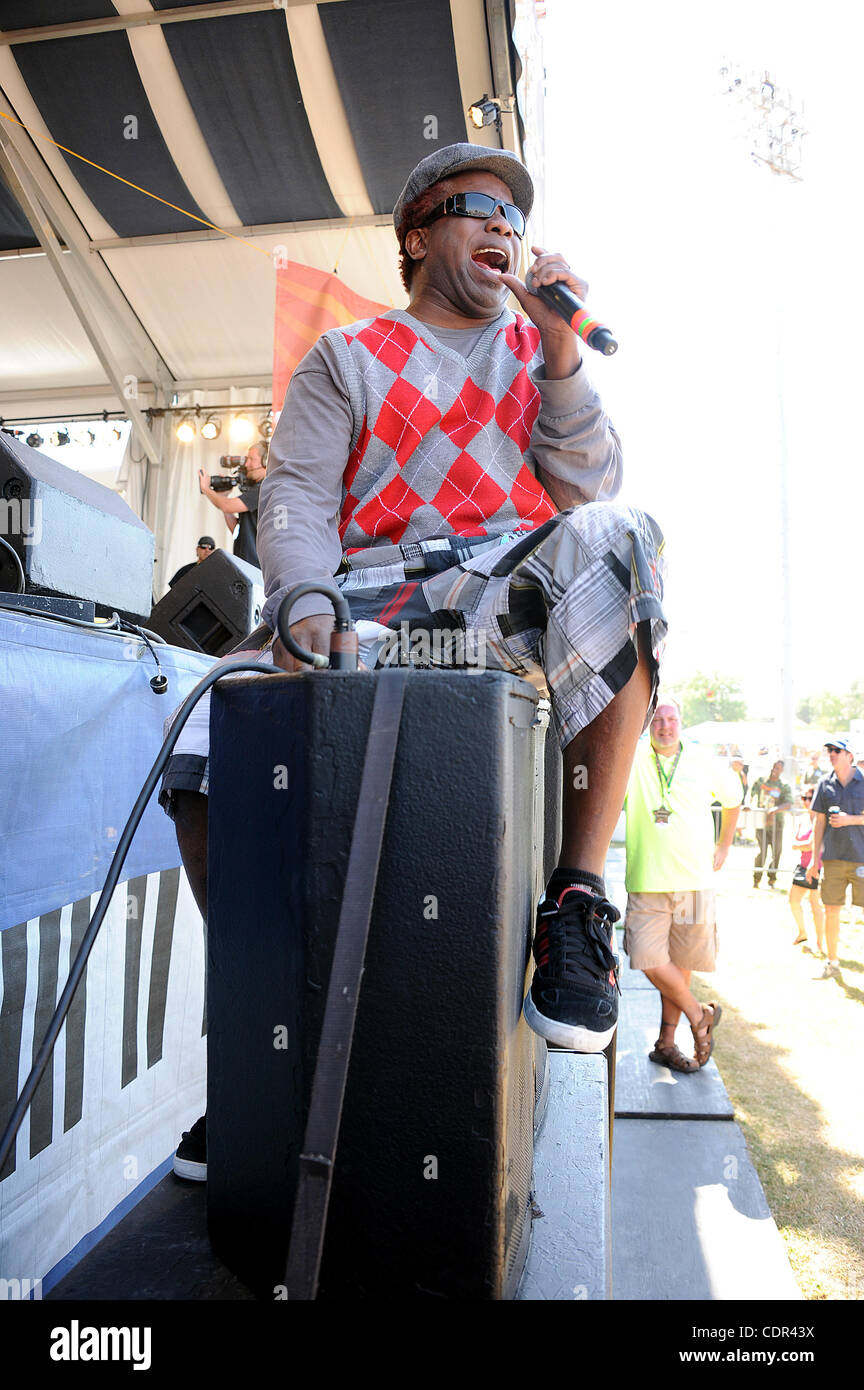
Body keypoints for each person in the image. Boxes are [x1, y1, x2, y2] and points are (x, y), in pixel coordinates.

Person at [163, 142, 667, 1179]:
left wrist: (562, 347)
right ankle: (270, 1048)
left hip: (490, 604)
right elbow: (296, 502)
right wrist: (301, 606)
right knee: (208, 745)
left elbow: (589, 489)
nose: (501, 227)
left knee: (628, 534)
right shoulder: (346, 358)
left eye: (514, 218)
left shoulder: (537, 355)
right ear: (416, 235)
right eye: (473, 206)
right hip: (365, 599)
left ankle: (574, 909)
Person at [622, 698, 740, 1072]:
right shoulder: (632, 755)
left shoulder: (704, 760)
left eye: (671, 718)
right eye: (657, 718)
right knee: (646, 956)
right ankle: (699, 1014)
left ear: (681, 722)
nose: (665, 725)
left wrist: (724, 845)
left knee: (682, 964)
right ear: (648, 723)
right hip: (647, 881)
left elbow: (733, 798)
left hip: (694, 883)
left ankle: (666, 1044)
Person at [810, 737, 864, 980]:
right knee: (831, 910)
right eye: (829, 750)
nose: (831, 754)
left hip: (861, 858)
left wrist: (850, 819)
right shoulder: (824, 783)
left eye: (836, 750)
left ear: (849, 755)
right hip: (832, 858)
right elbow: (818, 822)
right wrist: (814, 859)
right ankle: (832, 963)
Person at [197, 440, 268, 566]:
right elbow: (237, 530)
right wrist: (223, 496)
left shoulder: (264, 487)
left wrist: (206, 489)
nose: (246, 464)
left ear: (265, 461)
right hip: (246, 565)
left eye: (251, 459)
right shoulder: (257, 489)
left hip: (255, 567)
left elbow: (227, 506)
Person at [788, 788, 826, 954]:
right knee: (793, 900)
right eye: (804, 798)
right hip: (803, 866)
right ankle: (803, 933)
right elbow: (795, 841)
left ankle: (820, 943)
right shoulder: (803, 819)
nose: (806, 801)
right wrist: (800, 845)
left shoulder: (821, 819)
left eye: (810, 798)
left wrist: (800, 845)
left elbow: (811, 845)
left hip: (819, 867)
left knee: (815, 906)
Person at [750, 759, 793, 889]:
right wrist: (748, 805)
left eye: (778, 768)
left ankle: (772, 879)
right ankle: (756, 879)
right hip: (761, 823)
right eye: (773, 767)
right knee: (761, 852)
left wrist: (776, 810)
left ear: (782, 770)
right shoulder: (761, 781)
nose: (775, 770)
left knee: (776, 852)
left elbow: (789, 803)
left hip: (777, 824)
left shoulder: (784, 785)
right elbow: (751, 795)